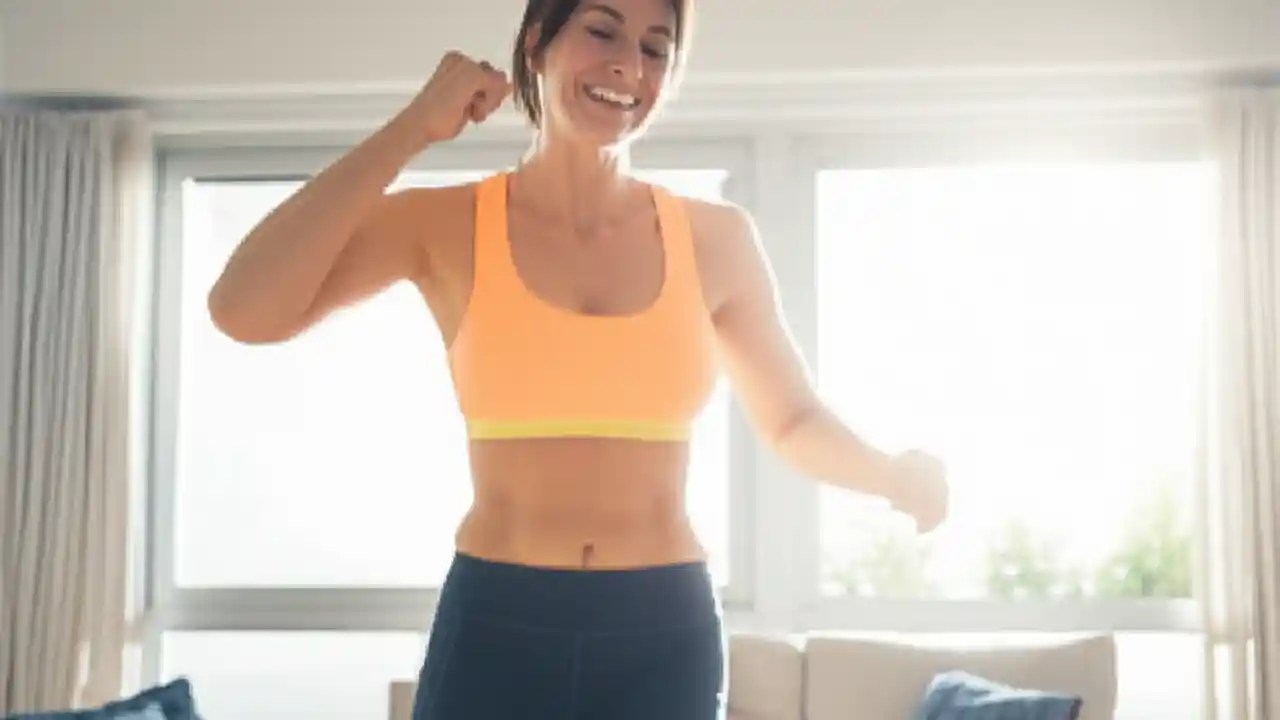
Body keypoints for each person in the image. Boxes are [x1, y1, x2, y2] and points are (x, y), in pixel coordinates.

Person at [206, 0, 949, 717]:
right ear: (537, 43)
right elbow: (243, 308)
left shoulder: (717, 239)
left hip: (663, 633)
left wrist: (888, 474)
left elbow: (791, 418)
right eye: (602, 32)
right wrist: (411, 130)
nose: (628, 64)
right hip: (496, 623)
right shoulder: (444, 223)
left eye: (655, 48)